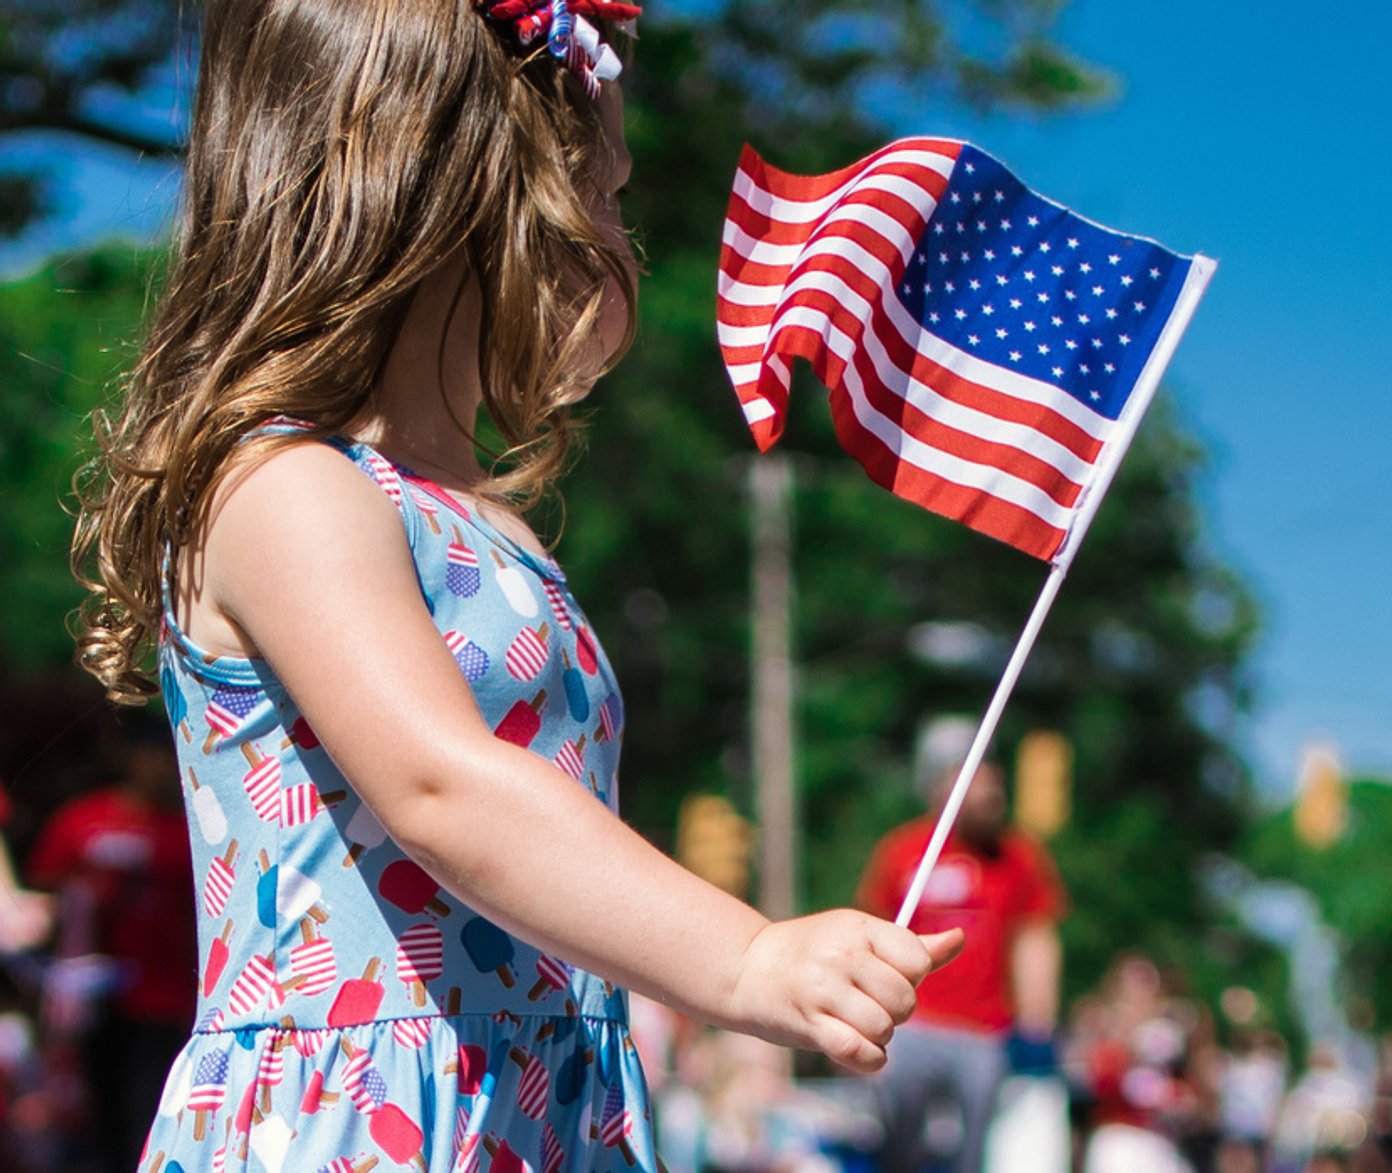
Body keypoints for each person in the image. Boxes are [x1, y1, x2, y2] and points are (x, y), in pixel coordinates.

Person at [69, 2, 961, 1168]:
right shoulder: (286, 489)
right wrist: (742, 958)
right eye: (602, 192)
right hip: (358, 1117)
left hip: (540, 1100)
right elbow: (443, 787)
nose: (621, 240)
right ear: (457, 188)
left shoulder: (489, 528)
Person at [856, 716, 1065, 1173]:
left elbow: (1035, 942)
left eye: (991, 772)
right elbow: (872, 932)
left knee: (975, 1156)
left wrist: (1038, 1028)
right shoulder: (901, 852)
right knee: (898, 1146)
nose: (988, 785)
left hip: (984, 1032)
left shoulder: (1018, 858)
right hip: (913, 1027)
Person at [26, 713, 195, 1173]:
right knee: (83, 1113)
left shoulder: (193, 829)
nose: (162, 766)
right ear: (132, 757)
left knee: (145, 1111)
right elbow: (42, 899)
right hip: (85, 1001)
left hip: (164, 999)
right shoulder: (83, 819)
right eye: (152, 754)